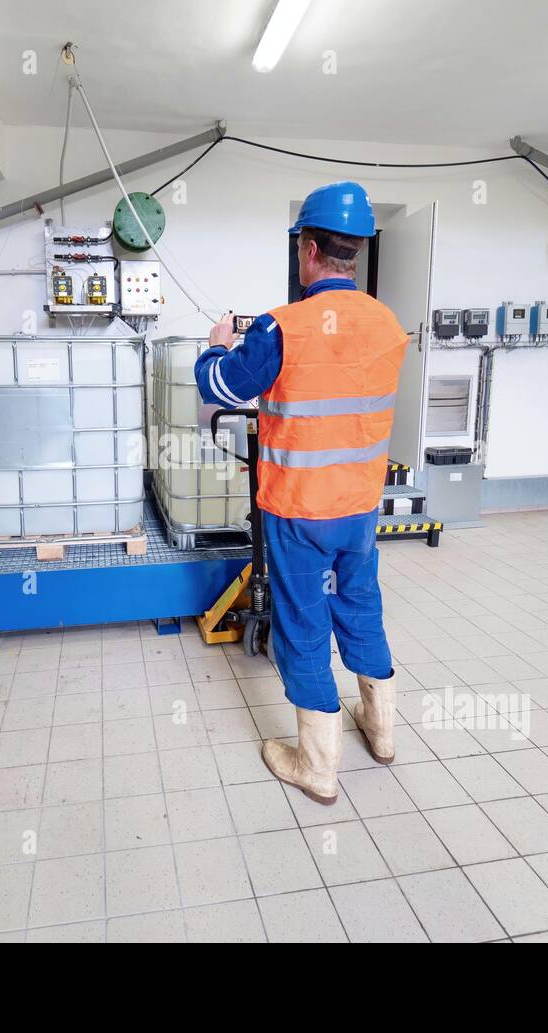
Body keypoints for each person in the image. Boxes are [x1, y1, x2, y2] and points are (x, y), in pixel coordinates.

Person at [194, 180, 408, 804]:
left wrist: (215, 348)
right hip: (360, 507)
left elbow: (223, 391)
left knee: (304, 621)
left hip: (297, 511)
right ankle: (383, 731)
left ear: (307, 249)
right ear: (357, 251)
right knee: (360, 607)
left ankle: (316, 766)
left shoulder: (280, 327)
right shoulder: (387, 324)